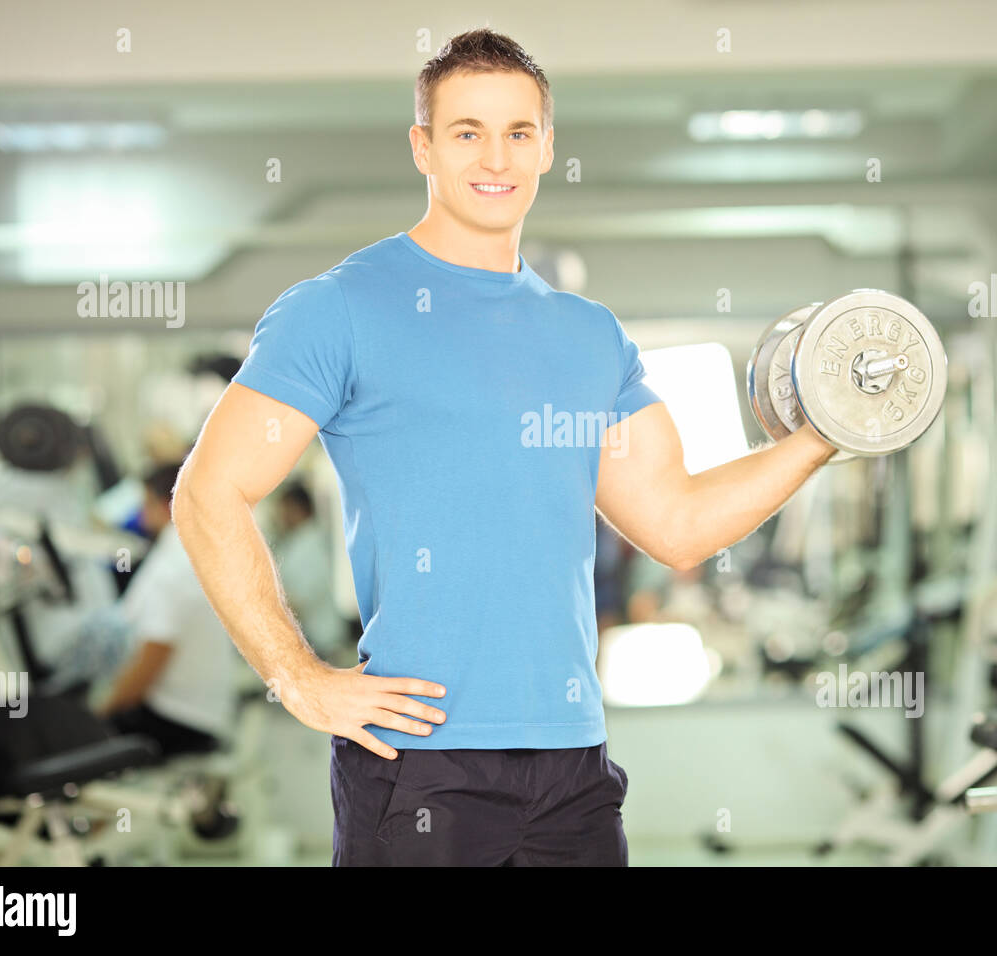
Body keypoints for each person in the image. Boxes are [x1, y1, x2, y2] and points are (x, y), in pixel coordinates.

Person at [173, 28, 834, 866]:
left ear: (548, 147)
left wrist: (822, 437)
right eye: (467, 132)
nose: (497, 157)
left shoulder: (588, 335)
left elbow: (677, 522)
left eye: (519, 132)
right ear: (423, 147)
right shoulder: (338, 308)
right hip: (418, 761)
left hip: (572, 763)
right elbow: (206, 493)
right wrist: (295, 675)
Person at [99, 461, 237, 757]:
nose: (140, 512)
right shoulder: (192, 549)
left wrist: (101, 712)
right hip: (203, 709)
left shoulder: (173, 569)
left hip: (179, 719)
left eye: (145, 502)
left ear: (168, 505)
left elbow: (154, 653)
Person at [271, 481, 346, 659]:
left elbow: (299, 603)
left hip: (322, 646)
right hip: (313, 644)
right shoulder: (298, 542)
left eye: (285, 509)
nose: (281, 516)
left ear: (299, 508)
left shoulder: (310, 547)